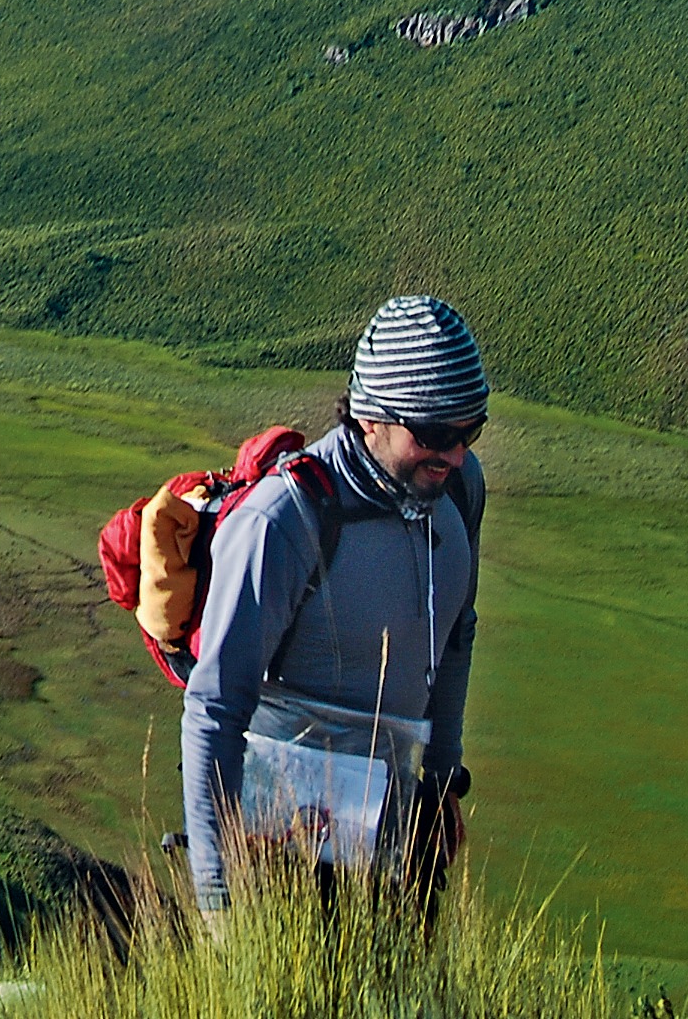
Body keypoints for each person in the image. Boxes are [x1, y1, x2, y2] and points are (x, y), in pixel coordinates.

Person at [181, 293, 488, 919]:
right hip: (284, 856)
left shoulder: (459, 489)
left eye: (470, 429)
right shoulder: (283, 521)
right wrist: (218, 903)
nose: (455, 454)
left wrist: (438, 782)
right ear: (368, 417)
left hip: (403, 839)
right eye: (434, 433)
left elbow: (456, 637)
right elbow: (215, 708)